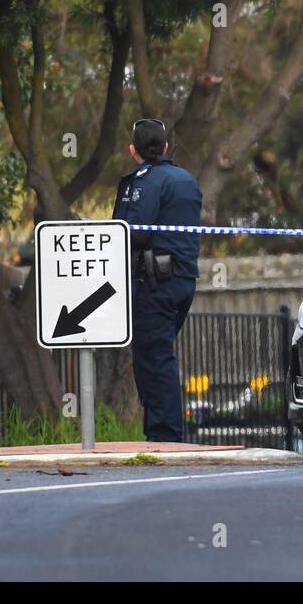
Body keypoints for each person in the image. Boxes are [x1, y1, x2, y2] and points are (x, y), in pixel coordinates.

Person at [112, 118, 202, 442]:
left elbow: (131, 233)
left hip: (152, 283)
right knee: (158, 355)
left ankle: (165, 437)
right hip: (184, 281)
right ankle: (163, 433)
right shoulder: (187, 179)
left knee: (153, 359)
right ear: (165, 147)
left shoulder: (142, 182)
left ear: (132, 150)